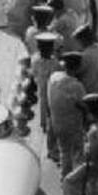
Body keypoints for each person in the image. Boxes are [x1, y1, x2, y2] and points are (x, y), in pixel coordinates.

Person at [48, 51, 87, 183]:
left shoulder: (54, 77)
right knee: (77, 153)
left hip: (57, 122)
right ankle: (71, 181)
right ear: (78, 67)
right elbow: (84, 105)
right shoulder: (77, 86)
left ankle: (64, 178)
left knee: (64, 152)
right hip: (72, 125)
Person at [32, 33, 61, 162]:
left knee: (44, 106)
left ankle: (45, 124)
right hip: (49, 89)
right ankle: (47, 129)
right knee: (47, 108)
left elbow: (34, 73)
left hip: (44, 88)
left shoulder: (35, 59)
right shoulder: (55, 62)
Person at [70, 24, 98, 93]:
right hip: (96, 87)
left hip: (85, 89)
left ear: (83, 39)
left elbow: (76, 72)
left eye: (79, 41)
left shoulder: (86, 55)